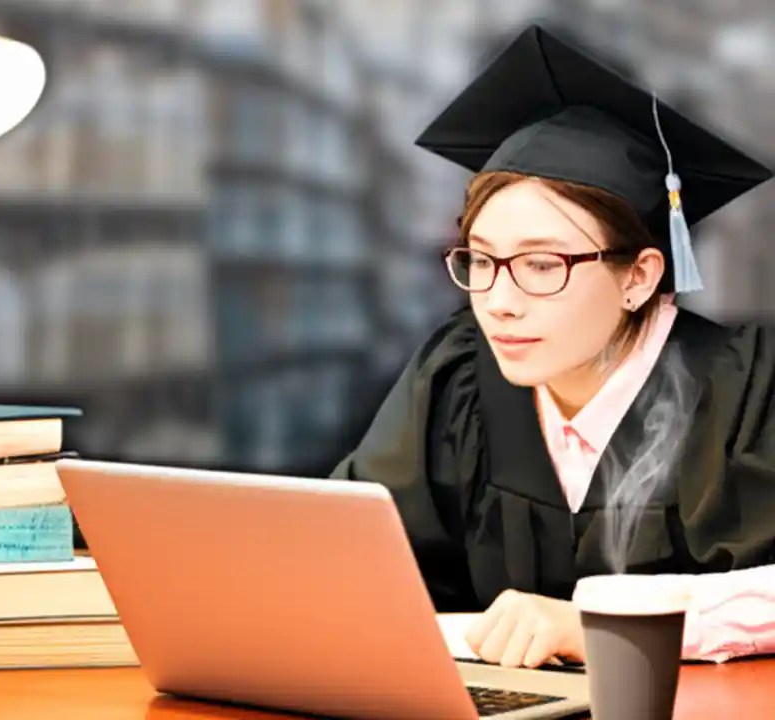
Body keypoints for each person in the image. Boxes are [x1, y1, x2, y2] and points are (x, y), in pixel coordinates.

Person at [331, 24, 775, 668]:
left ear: (641, 276)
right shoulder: (457, 381)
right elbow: (347, 553)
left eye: (542, 264)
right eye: (481, 261)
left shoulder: (746, 391)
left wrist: (601, 623)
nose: (499, 300)